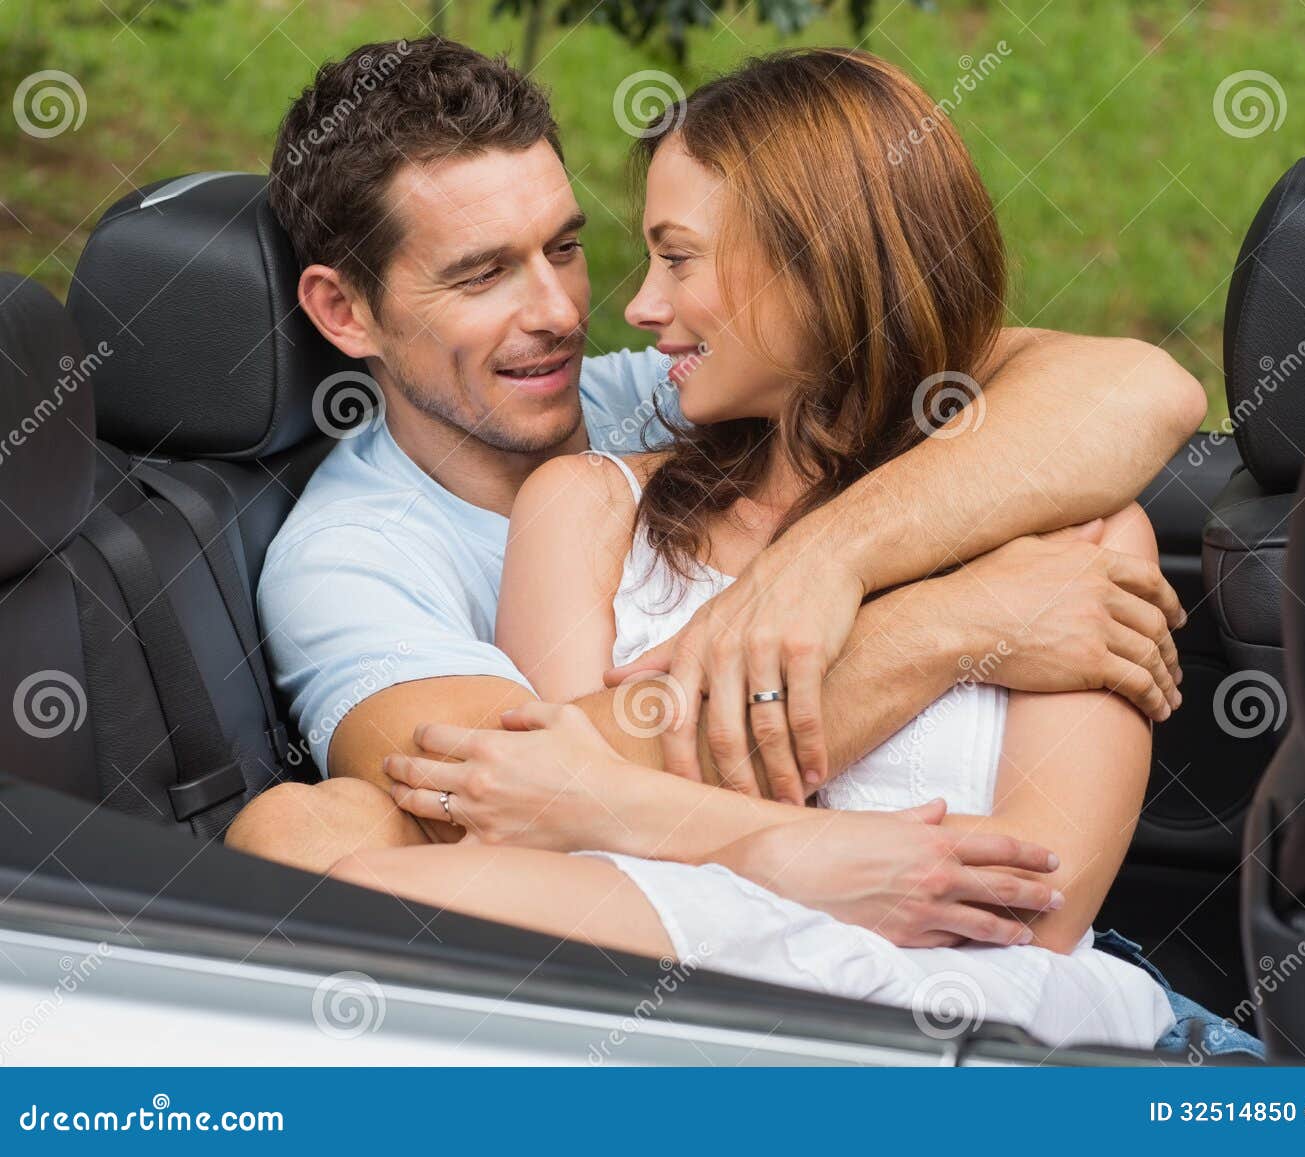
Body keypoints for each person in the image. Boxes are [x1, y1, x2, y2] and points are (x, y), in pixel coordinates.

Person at [225, 38, 1206, 972]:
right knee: (305, 831)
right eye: (483, 273)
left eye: (563, 247)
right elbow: (502, 806)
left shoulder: (685, 395)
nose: (566, 313)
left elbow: (1137, 391)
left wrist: (822, 564)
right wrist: (947, 627)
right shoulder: (353, 555)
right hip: (651, 940)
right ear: (345, 312)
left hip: (912, 953)